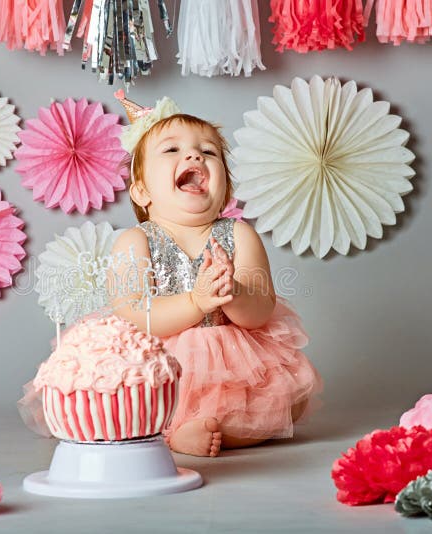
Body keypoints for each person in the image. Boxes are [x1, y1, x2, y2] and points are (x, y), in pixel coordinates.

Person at [110, 94, 322, 457]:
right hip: (163, 358)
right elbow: (133, 314)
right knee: (128, 404)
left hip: (235, 359)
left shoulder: (239, 234)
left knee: (282, 405)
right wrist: (195, 301)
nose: (193, 156)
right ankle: (172, 432)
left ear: (225, 190)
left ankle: (209, 432)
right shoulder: (134, 241)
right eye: (172, 150)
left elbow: (261, 310)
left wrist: (235, 293)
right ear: (142, 190)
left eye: (208, 152)